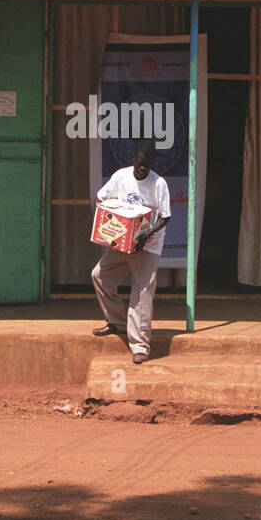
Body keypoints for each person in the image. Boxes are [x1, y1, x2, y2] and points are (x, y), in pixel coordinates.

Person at [90, 138, 171, 364]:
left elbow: (165, 216)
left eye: (147, 165)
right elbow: (100, 199)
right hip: (123, 242)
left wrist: (146, 234)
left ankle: (140, 346)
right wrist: (109, 224)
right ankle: (117, 322)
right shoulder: (121, 176)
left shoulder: (159, 184)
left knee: (142, 293)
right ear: (133, 158)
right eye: (139, 164)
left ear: (153, 163)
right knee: (99, 275)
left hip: (148, 246)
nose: (142, 169)